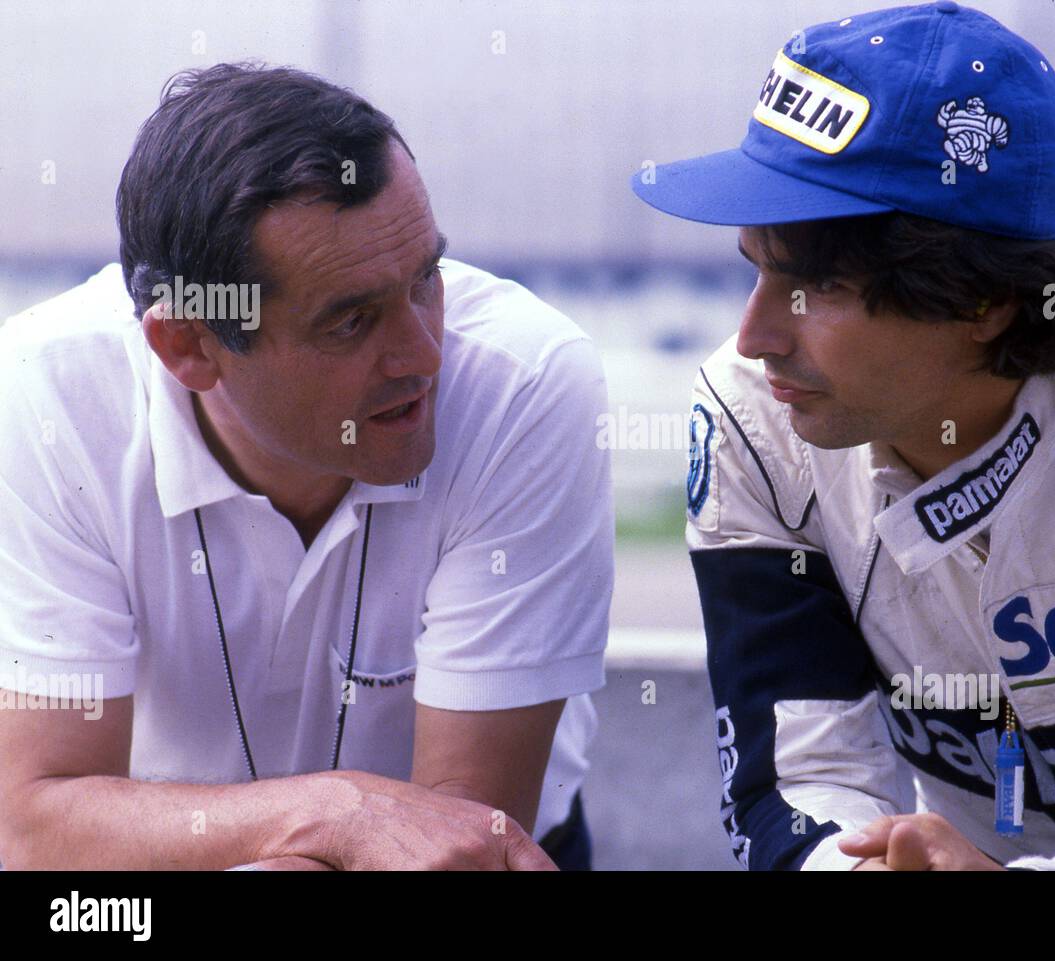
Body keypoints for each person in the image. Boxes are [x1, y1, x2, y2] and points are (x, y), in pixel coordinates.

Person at [630, 1, 1055, 870]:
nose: (756, 338)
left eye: (818, 285)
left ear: (984, 298)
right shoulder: (749, 413)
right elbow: (798, 783)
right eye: (756, 269)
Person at [0, 63, 613, 870]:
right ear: (188, 345)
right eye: (351, 321)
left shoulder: (525, 384)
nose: (427, 354)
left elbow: (463, 846)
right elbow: (35, 827)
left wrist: (322, 829)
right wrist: (331, 812)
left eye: (426, 277)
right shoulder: (49, 396)